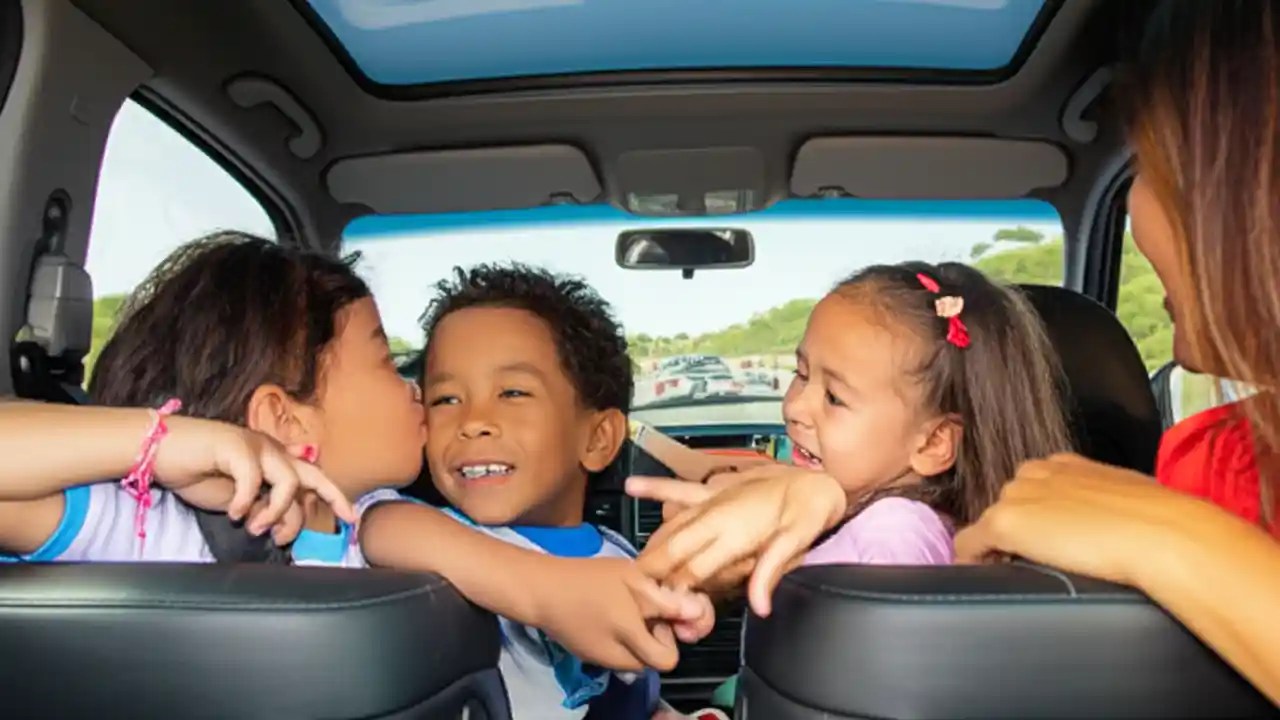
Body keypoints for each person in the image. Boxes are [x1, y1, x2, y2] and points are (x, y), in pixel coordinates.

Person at [638, 1, 1280, 705]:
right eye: (800, 376)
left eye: (1153, 166)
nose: (1136, 208)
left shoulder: (1193, 489)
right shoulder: (1214, 458)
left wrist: (1168, 539)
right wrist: (823, 496)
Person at [358, 264, 713, 720]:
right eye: (445, 399)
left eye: (512, 393)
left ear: (597, 439)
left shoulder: (620, 554)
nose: (472, 421)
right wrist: (544, 591)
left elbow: (624, 692)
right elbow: (380, 523)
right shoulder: (445, 543)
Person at [629, 261, 1073, 611]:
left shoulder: (893, 534)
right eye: (801, 374)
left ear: (933, 443)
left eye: (835, 398)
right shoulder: (891, 519)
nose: (794, 407)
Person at [0, 232, 423, 564]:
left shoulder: (387, 523)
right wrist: (165, 441)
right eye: (389, 359)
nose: (414, 385)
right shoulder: (152, 531)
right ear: (285, 419)